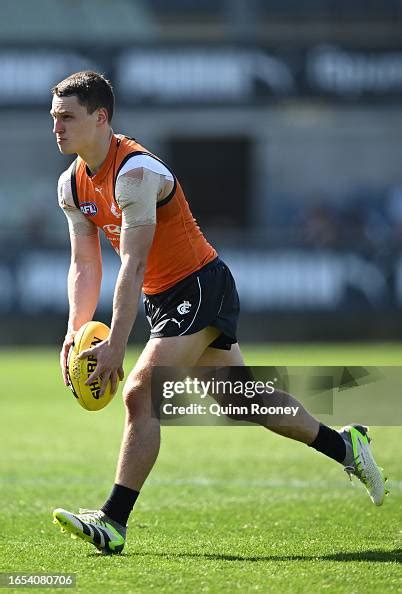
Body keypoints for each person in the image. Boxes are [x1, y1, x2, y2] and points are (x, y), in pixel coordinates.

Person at [51, 71, 387, 555]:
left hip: (200, 285)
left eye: (67, 117)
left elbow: (134, 261)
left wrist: (118, 342)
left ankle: (113, 520)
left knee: (142, 392)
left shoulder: (135, 174)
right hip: (164, 297)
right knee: (242, 401)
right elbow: (85, 264)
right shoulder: (70, 185)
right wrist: (74, 329)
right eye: (54, 117)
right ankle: (345, 446)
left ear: (101, 117)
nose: (57, 127)